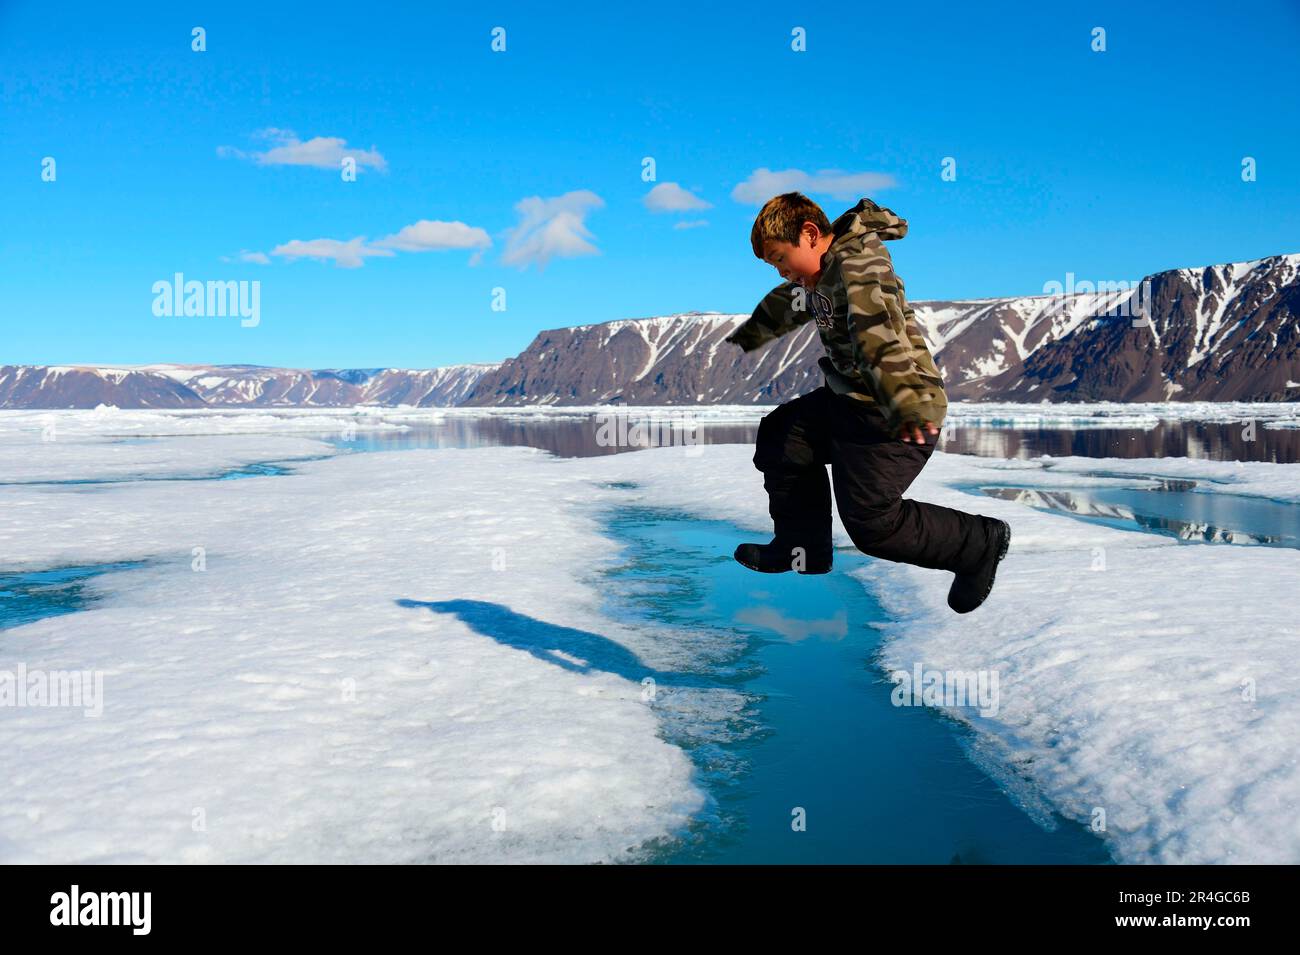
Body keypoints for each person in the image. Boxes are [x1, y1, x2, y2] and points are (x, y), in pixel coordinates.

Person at [724, 191, 1010, 613]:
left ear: (809, 234)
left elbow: (876, 334)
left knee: (873, 525)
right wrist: (753, 334)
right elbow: (789, 303)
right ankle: (802, 547)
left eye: (781, 260)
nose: (783, 273)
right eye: (774, 267)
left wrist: (903, 402)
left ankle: (979, 544)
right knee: (782, 433)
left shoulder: (857, 266)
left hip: (896, 411)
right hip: (852, 401)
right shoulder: (822, 271)